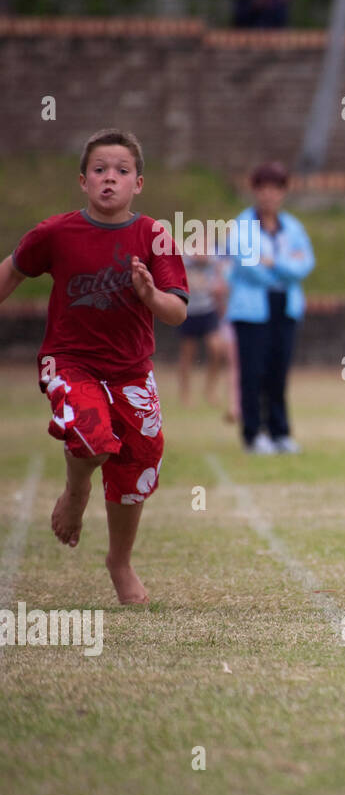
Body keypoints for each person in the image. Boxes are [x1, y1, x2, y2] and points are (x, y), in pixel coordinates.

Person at [0, 129, 188, 604]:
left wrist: (151, 296)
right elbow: (14, 269)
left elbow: (178, 311)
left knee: (138, 465)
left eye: (121, 171)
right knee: (89, 433)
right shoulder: (56, 233)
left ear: (138, 184)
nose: (110, 179)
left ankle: (119, 563)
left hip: (132, 372)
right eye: (99, 171)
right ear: (82, 181)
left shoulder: (154, 236)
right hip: (69, 362)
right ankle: (76, 490)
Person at [225, 161, 315, 454]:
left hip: (285, 306)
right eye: (263, 189)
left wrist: (274, 262)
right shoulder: (241, 225)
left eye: (275, 189)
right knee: (253, 372)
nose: (269, 195)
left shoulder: (293, 227)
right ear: (255, 191)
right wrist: (284, 266)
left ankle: (280, 432)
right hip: (251, 309)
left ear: (283, 192)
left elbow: (305, 264)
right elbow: (248, 265)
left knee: (279, 371)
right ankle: (253, 434)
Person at [177, 233, 235, 417]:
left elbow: (227, 277)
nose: (202, 252)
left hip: (208, 311)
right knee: (188, 354)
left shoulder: (215, 262)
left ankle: (210, 390)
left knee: (216, 349)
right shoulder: (183, 262)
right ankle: (185, 393)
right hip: (188, 312)